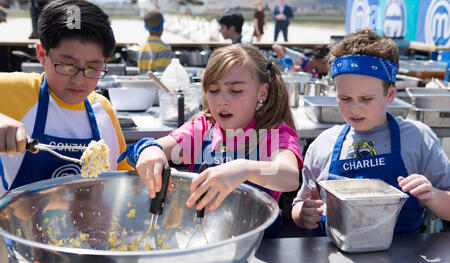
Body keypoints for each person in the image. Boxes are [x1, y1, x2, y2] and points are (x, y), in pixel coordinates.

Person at [120, 44, 303, 238]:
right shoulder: (202, 128)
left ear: (262, 93)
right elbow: (153, 147)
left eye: (236, 90)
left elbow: (290, 176)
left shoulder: (275, 133)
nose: (222, 100)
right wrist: (150, 150)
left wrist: (243, 169)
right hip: (200, 238)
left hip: (260, 245)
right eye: (214, 90)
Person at [291, 29, 450, 237]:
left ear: (390, 93)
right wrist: (303, 215)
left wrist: (433, 197)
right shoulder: (323, 144)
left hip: (402, 261)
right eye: (345, 98)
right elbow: (300, 203)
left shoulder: (418, 138)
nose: (354, 109)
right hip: (333, 258)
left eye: (366, 99)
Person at [0, 0, 132, 197]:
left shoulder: (102, 109)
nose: (79, 80)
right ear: (42, 55)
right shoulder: (14, 91)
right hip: (15, 224)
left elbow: (122, 182)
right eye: (67, 65)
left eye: (93, 68)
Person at [137, 9, 172, 74]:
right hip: (155, 84)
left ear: (146, 27)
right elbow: (162, 75)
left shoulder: (141, 47)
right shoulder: (164, 48)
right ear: (162, 27)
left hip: (143, 83)